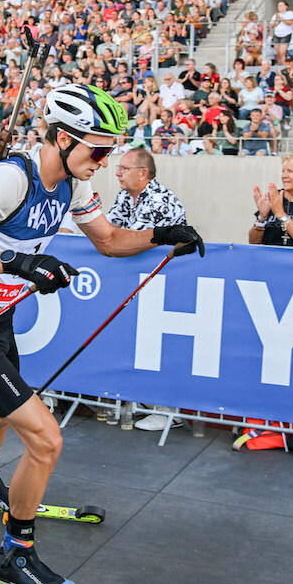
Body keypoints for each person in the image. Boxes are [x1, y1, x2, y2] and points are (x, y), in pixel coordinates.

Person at [0, 84, 204, 584]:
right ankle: (17, 553)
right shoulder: (11, 179)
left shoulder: (73, 185)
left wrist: (164, 235)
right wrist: (17, 260)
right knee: (46, 439)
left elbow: (111, 240)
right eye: (98, 149)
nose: (104, 160)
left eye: (111, 151)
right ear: (61, 138)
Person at [105, 147, 190, 432]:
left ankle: (168, 411)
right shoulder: (125, 196)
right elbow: (110, 232)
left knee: (159, 345)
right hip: (139, 278)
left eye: (124, 168)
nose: (117, 173)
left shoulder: (157, 198)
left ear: (143, 173)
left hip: (167, 282)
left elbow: (128, 240)